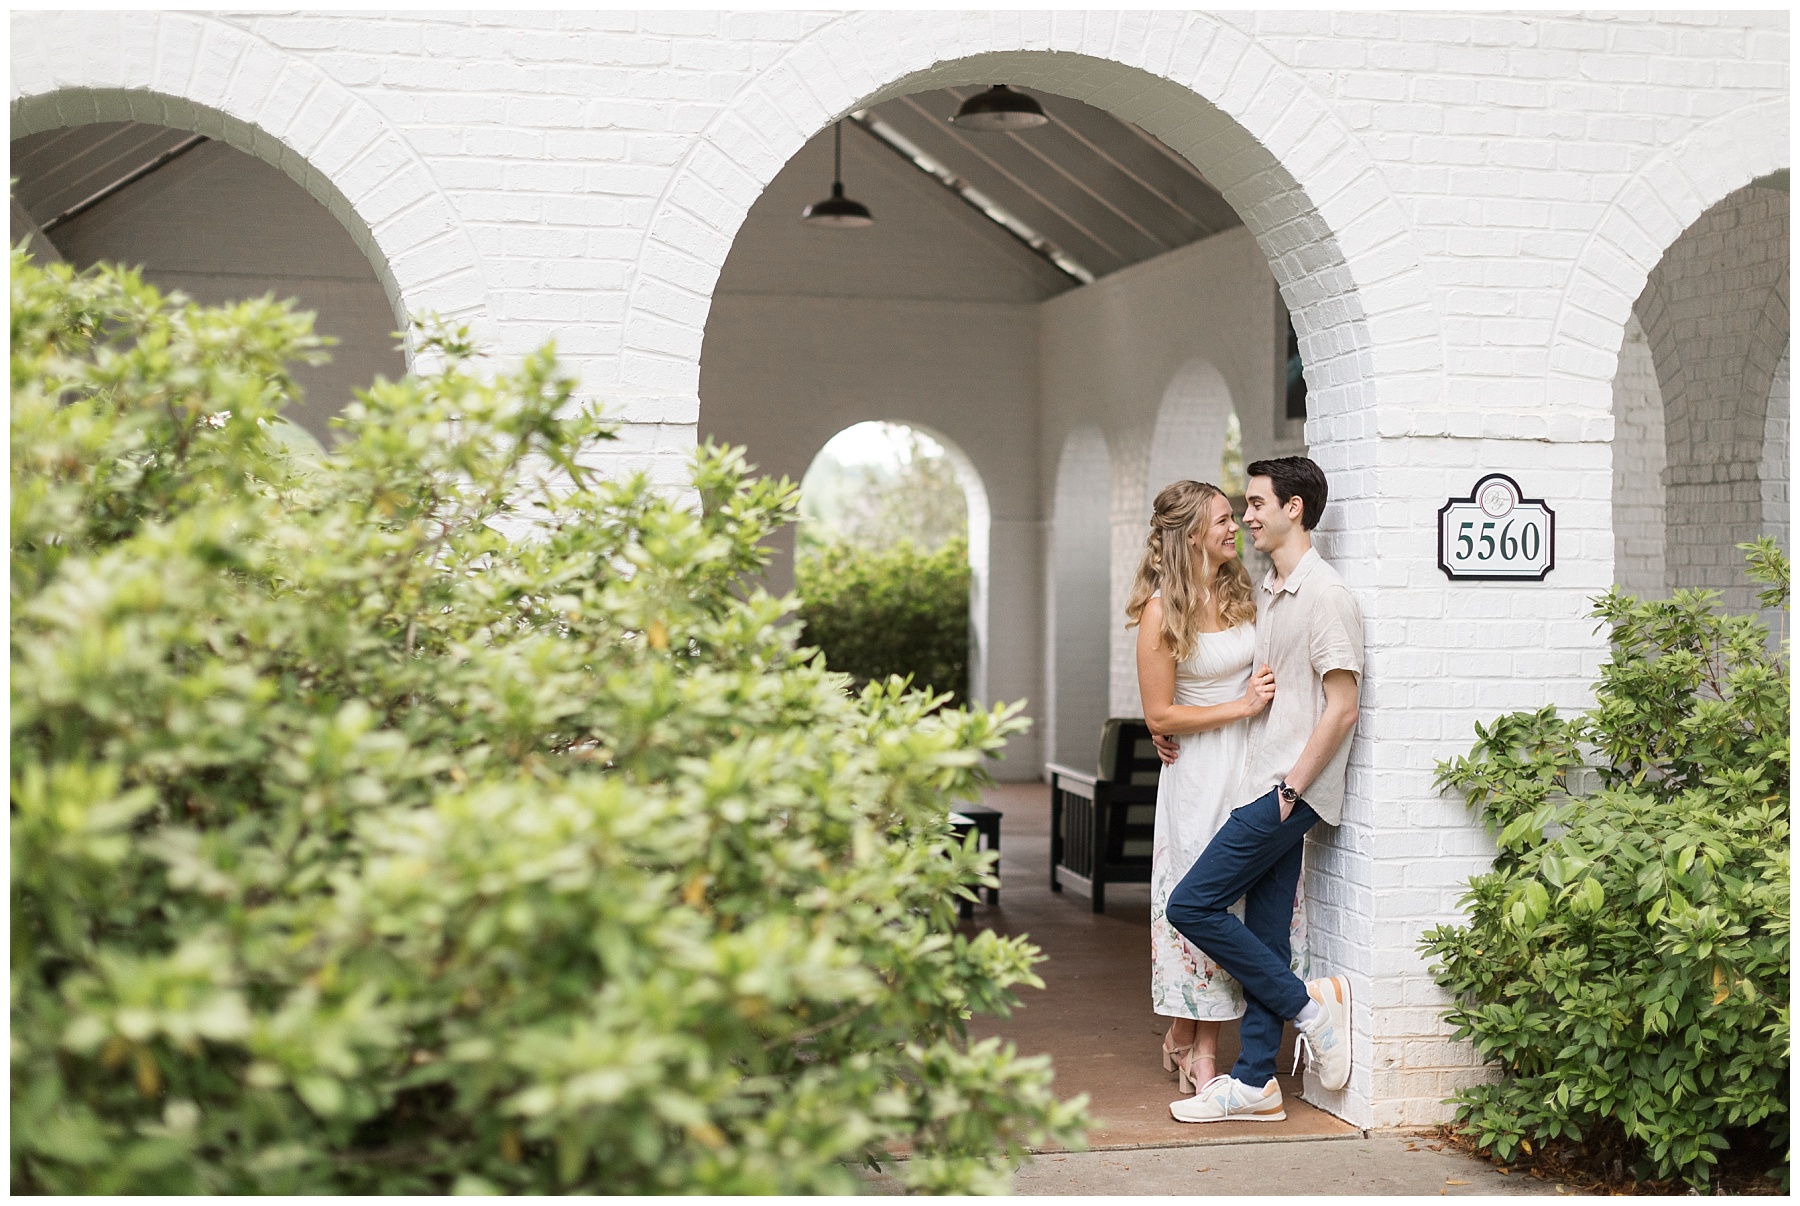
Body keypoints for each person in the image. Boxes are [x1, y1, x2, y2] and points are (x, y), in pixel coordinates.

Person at [1160, 456, 1362, 1124]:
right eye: (1240, 508)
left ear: (1293, 508)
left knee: (1191, 904)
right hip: (1257, 782)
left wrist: (1291, 788)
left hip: (1283, 792)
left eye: (1254, 504)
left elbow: (1343, 706)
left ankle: (1308, 1008)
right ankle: (1255, 1084)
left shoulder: (1327, 595)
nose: (1246, 517)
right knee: (1269, 936)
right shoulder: (1273, 589)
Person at [1125, 480, 1306, 1097]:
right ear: (1190, 534)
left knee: (1229, 904)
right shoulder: (1159, 611)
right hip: (1198, 772)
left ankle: (1192, 1041)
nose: (1236, 528)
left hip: (1251, 768)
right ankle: (1201, 1050)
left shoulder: (1240, 593)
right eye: (1224, 520)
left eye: (1236, 517)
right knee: (1197, 902)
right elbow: (1160, 716)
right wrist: (1240, 707)